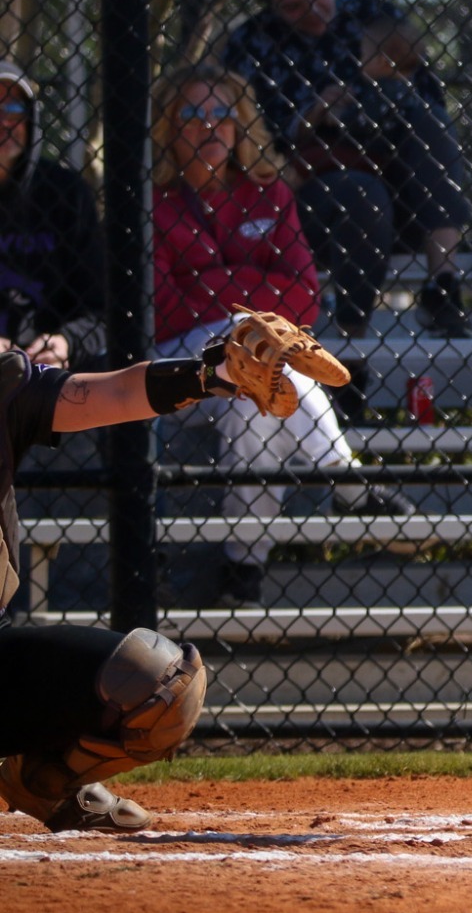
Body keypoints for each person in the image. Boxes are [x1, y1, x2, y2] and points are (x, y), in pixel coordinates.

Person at [0, 304, 315, 830]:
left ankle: (40, 776)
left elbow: (116, 392)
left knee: (158, 680)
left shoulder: (6, 387)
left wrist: (215, 372)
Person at [153, 66, 411, 608]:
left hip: (256, 365)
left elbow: (305, 295)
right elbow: (162, 309)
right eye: (192, 114)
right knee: (250, 338)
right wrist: (252, 291)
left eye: (222, 113)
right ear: (169, 129)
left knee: (254, 394)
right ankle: (345, 480)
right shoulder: (154, 202)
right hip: (178, 367)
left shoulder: (268, 194)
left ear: (241, 123)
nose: (209, 126)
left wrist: (212, 283)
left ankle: (243, 568)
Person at [222, 0, 472, 339]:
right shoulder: (251, 43)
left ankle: (443, 285)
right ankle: (352, 331)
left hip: (403, 180)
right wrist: (311, 115)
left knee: (432, 123)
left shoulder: (374, 15)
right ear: (270, 6)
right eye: (293, 6)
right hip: (315, 189)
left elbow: (428, 95)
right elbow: (248, 140)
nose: (314, 10)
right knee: (361, 192)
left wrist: (377, 94)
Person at [0, 60, 105, 366]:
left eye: (15, 110)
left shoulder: (66, 192)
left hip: (51, 363)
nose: (5, 121)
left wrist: (66, 342)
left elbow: (99, 307)